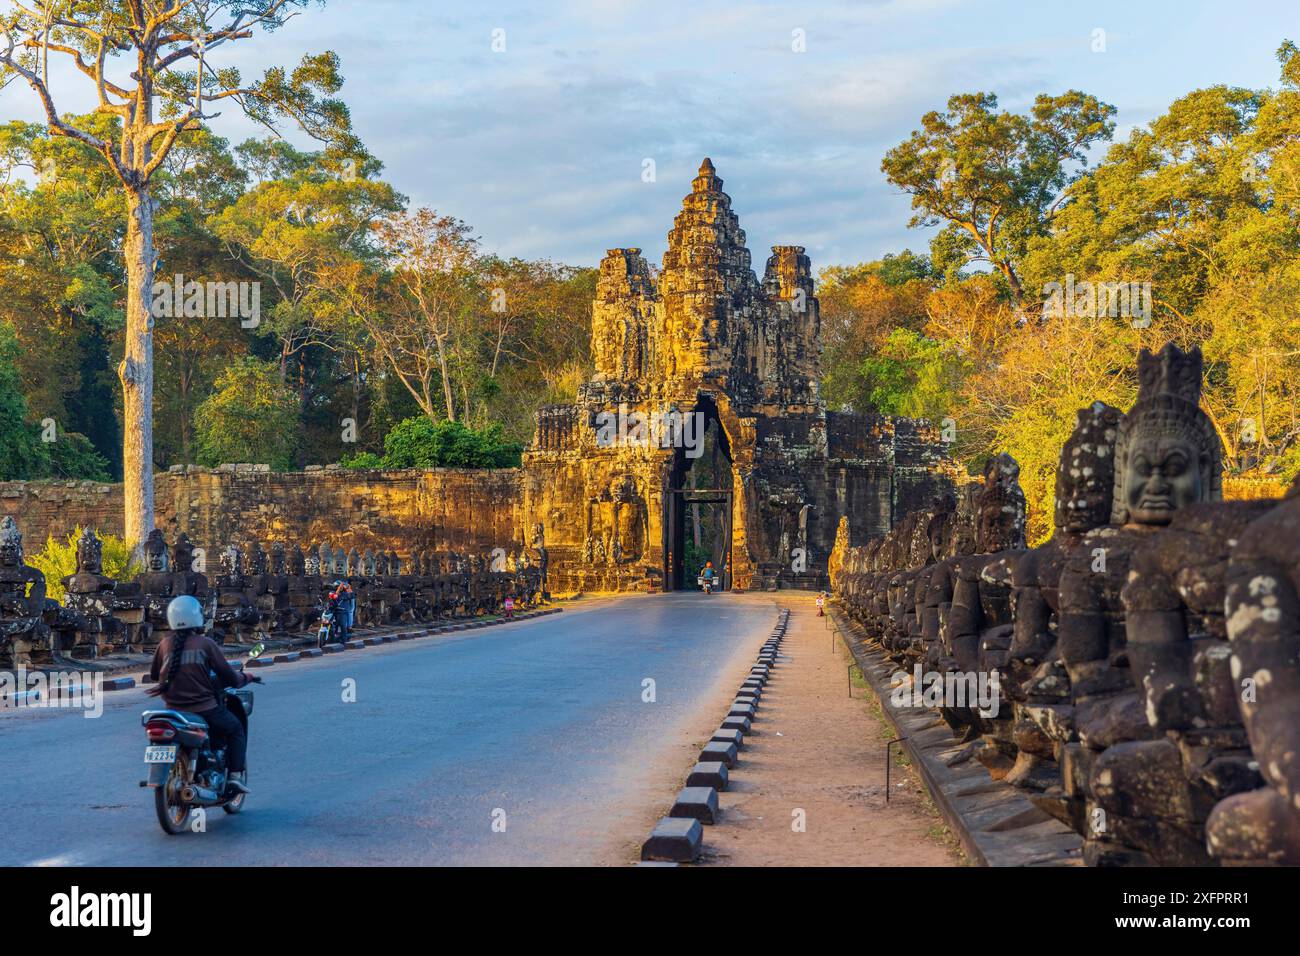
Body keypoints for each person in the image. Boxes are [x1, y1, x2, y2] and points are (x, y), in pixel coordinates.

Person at [148, 595, 254, 795]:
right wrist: (245, 678)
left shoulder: (164, 644)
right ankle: (234, 776)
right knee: (235, 729)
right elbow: (229, 676)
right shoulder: (205, 644)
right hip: (205, 710)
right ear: (197, 617)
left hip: (173, 712)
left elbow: (155, 675)